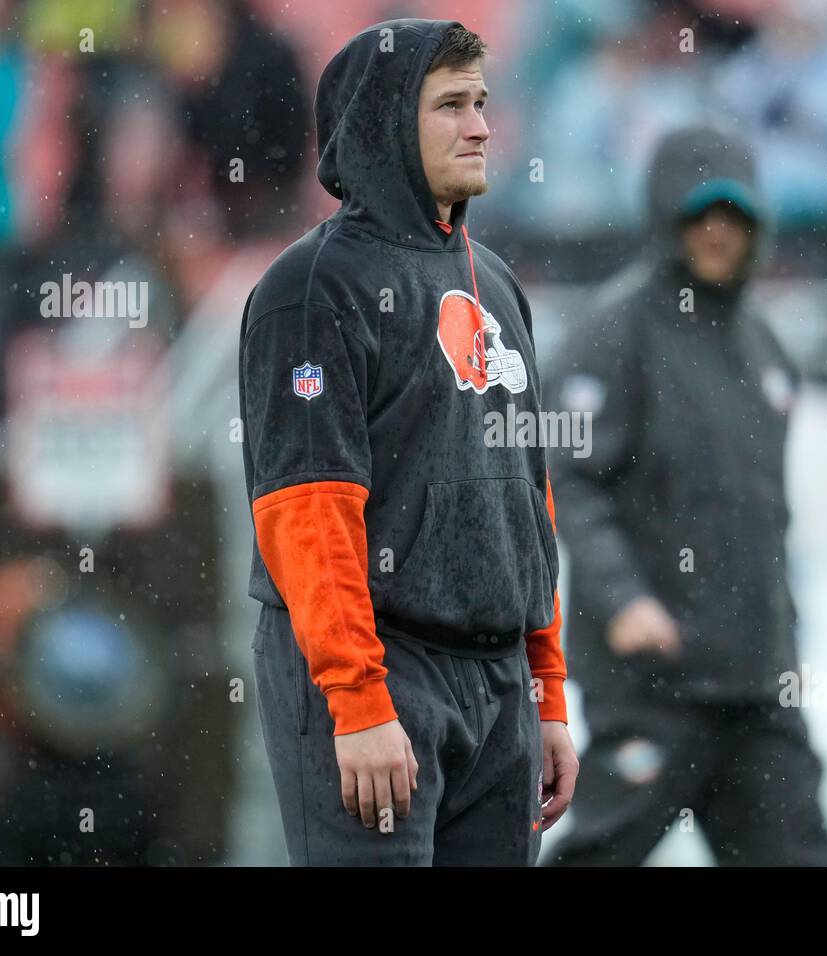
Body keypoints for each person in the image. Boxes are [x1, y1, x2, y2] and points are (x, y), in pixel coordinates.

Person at [238, 19, 577, 866]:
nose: (482, 126)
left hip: (498, 682)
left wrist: (548, 696)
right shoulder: (312, 287)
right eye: (452, 105)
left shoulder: (496, 281)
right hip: (378, 675)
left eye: (484, 102)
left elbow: (527, 505)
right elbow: (307, 512)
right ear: (386, 121)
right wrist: (358, 701)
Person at [544, 124, 827, 866]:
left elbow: (771, 516)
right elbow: (566, 480)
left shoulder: (765, 348)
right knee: (602, 852)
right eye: (699, 215)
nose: (716, 233)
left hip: (757, 686)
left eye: (733, 218)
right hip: (652, 681)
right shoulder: (613, 335)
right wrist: (626, 599)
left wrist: (787, 638)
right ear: (665, 220)